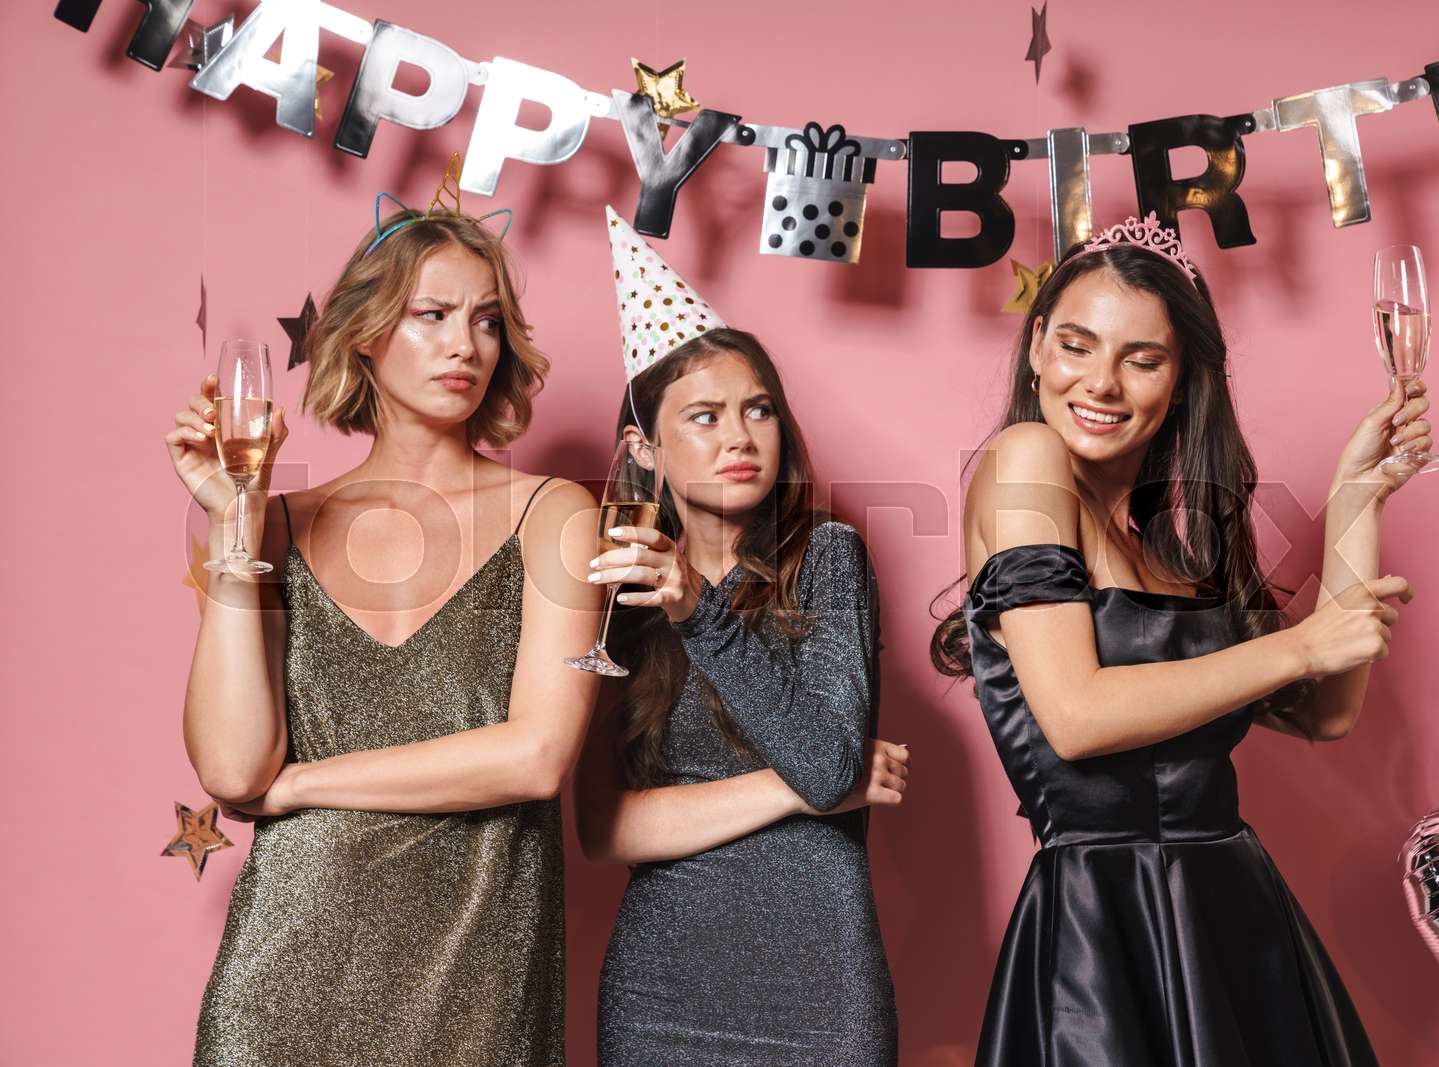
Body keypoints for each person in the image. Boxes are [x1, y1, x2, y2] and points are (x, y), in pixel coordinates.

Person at [930, 213, 1426, 1066]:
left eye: (1142, 358)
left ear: (1184, 376)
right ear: (1038, 344)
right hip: (1101, 929)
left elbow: (1326, 712)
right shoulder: (1025, 459)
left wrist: (1356, 499)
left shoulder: (1164, 546)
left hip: (1233, 915)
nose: (1102, 383)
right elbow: (1076, 715)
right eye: (1078, 345)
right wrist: (1302, 643)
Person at [164, 181, 602, 1066]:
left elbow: (537, 756)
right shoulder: (279, 523)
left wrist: (298, 788)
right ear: (365, 334)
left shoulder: (552, 512)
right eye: (431, 314)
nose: (464, 344)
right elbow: (232, 765)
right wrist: (233, 521)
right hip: (288, 962)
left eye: (485, 321)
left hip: (477, 960)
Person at [577, 208, 904, 1066]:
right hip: (661, 988)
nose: (739, 437)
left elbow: (831, 762)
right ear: (642, 449)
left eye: (757, 410)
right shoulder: (623, 595)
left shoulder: (829, 558)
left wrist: (700, 610)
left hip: (820, 985)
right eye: (705, 417)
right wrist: (802, 789)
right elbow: (604, 830)